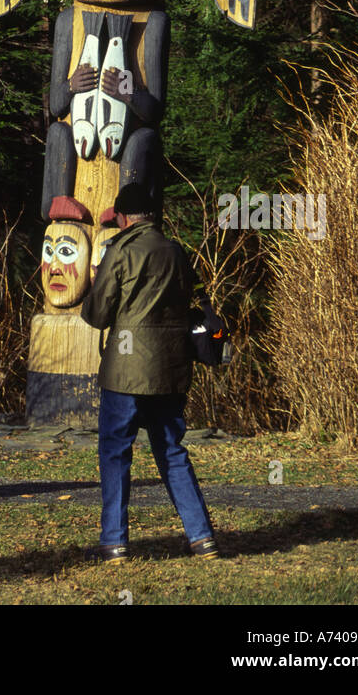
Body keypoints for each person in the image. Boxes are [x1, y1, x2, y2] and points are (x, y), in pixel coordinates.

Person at [80, 181, 218, 562]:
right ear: (152, 216)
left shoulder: (119, 252)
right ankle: (202, 538)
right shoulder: (176, 251)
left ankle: (115, 542)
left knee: (115, 452)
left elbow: (97, 314)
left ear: (123, 218)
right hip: (170, 369)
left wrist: (93, 287)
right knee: (171, 450)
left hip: (125, 371)